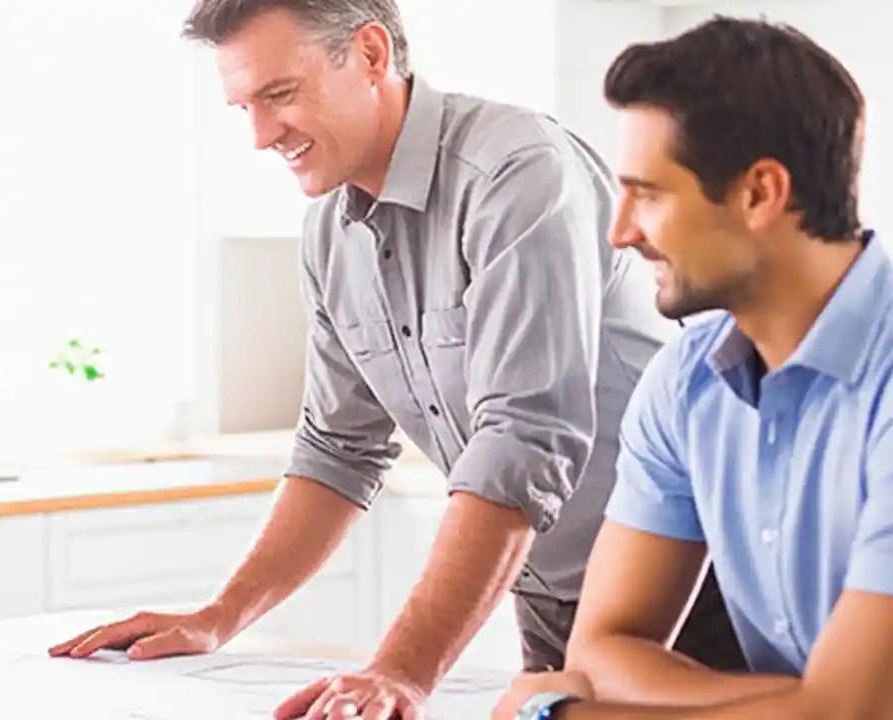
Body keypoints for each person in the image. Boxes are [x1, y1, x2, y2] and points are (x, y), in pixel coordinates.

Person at [52, 1, 744, 717]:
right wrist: (218, 616)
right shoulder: (329, 231)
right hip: (548, 597)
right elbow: (338, 449)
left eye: (280, 95)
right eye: (244, 107)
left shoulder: (515, 172)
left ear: (373, 55)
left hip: (704, 586)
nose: (260, 135)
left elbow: (524, 443)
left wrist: (403, 672)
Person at [492, 16, 892, 720]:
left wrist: (567, 716)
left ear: (761, 193)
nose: (621, 233)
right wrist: (813, 704)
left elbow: (848, 714)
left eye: (647, 194)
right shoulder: (686, 382)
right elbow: (603, 651)